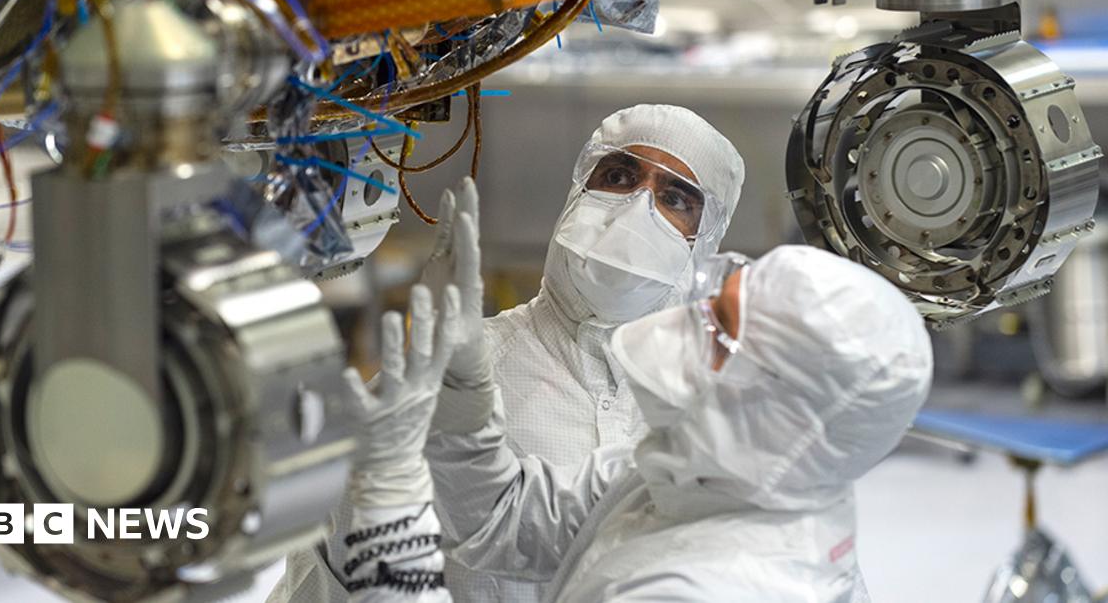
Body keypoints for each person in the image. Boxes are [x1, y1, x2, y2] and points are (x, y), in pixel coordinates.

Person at [270, 103, 746, 602]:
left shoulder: (714, 414)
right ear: (578, 192)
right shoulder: (448, 376)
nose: (637, 210)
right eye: (620, 176)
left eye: (675, 197)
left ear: (706, 239)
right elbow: (321, 580)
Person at [338, 244, 934, 601]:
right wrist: (462, 428)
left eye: (721, 325)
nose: (691, 321)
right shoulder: (713, 477)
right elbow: (521, 520)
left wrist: (399, 579)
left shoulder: (702, 588)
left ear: (778, 404)